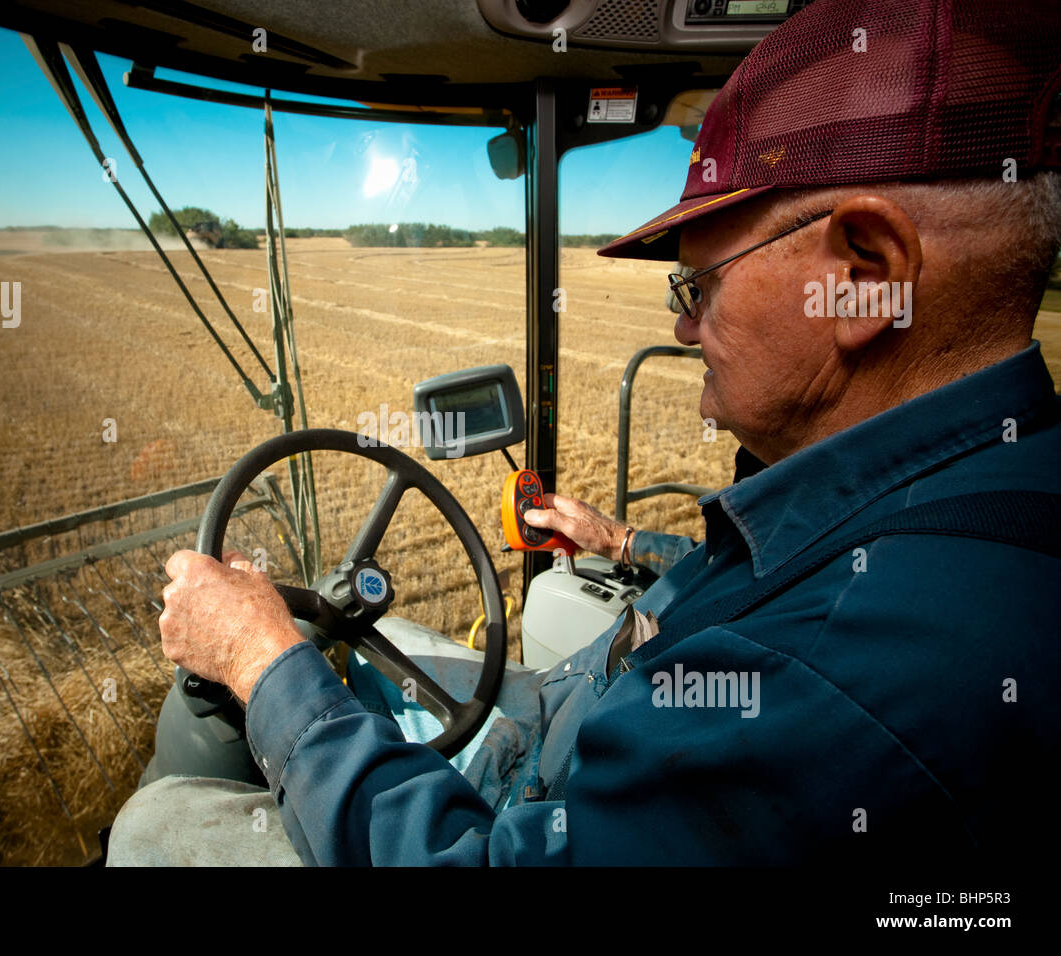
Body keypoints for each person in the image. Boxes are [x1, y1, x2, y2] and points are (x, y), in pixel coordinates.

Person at [107, 0, 1061, 865]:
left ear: (863, 272)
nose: (683, 328)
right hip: (580, 724)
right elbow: (796, 575)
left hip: (522, 809)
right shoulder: (986, 491)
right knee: (382, 630)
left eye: (700, 286)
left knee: (157, 830)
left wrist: (258, 660)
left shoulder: (827, 690)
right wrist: (618, 541)